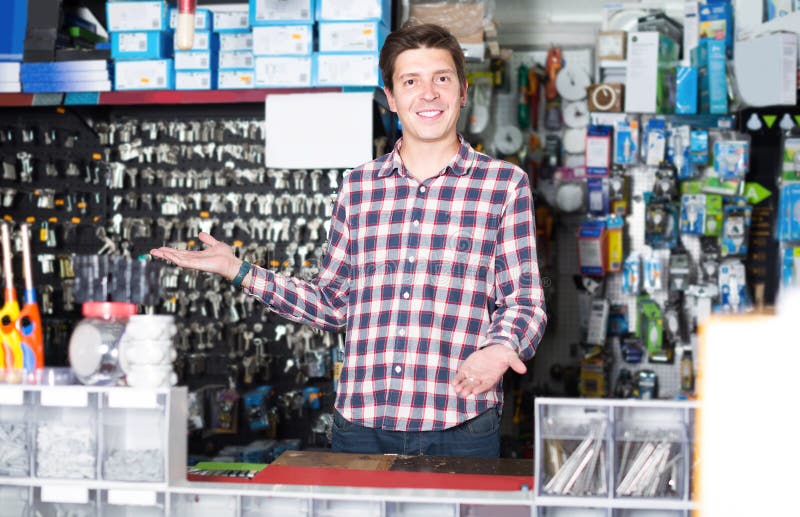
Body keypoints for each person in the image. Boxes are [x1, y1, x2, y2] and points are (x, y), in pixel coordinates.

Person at [150, 23, 547, 458]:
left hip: (459, 422)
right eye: (411, 81)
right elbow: (333, 301)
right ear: (392, 98)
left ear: (463, 90)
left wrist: (500, 347)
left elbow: (523, 301)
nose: (428, 93)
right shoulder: (359, 186)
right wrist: (238, 270)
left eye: (442, 78)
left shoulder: (504, 184)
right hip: (362, 424)